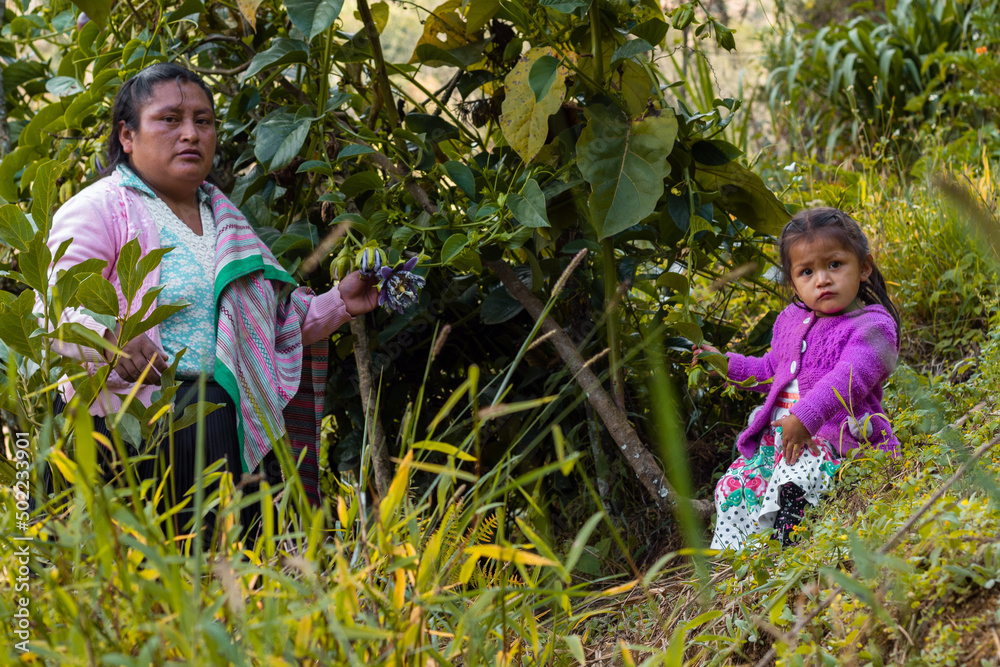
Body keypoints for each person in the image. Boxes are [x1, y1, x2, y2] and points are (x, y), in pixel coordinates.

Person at [45, 63, 380, 539]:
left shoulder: (226, 219)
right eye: (169, 119)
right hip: (132, 432)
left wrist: (339, 303)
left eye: (203, 121)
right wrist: (108, 337)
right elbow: (52, 311)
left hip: (228, 428)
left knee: (233, 591)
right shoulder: (100, 207)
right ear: (127, 135)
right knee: (148, 590)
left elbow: (265, 331)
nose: (190, 134)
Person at [693, 207, 901, 550]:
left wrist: (805, 417)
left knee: (796, 478)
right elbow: (768, 372)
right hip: (781, 445)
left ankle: (787, 547)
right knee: (732, 485)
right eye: (807, 271)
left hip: (833, 442)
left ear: (864, 267)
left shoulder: (873, 327)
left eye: (834, 264)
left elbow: (849, 376)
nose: (822, 279)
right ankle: (736, 561)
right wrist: (723, 363)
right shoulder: (790, 321)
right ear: (793, 282)